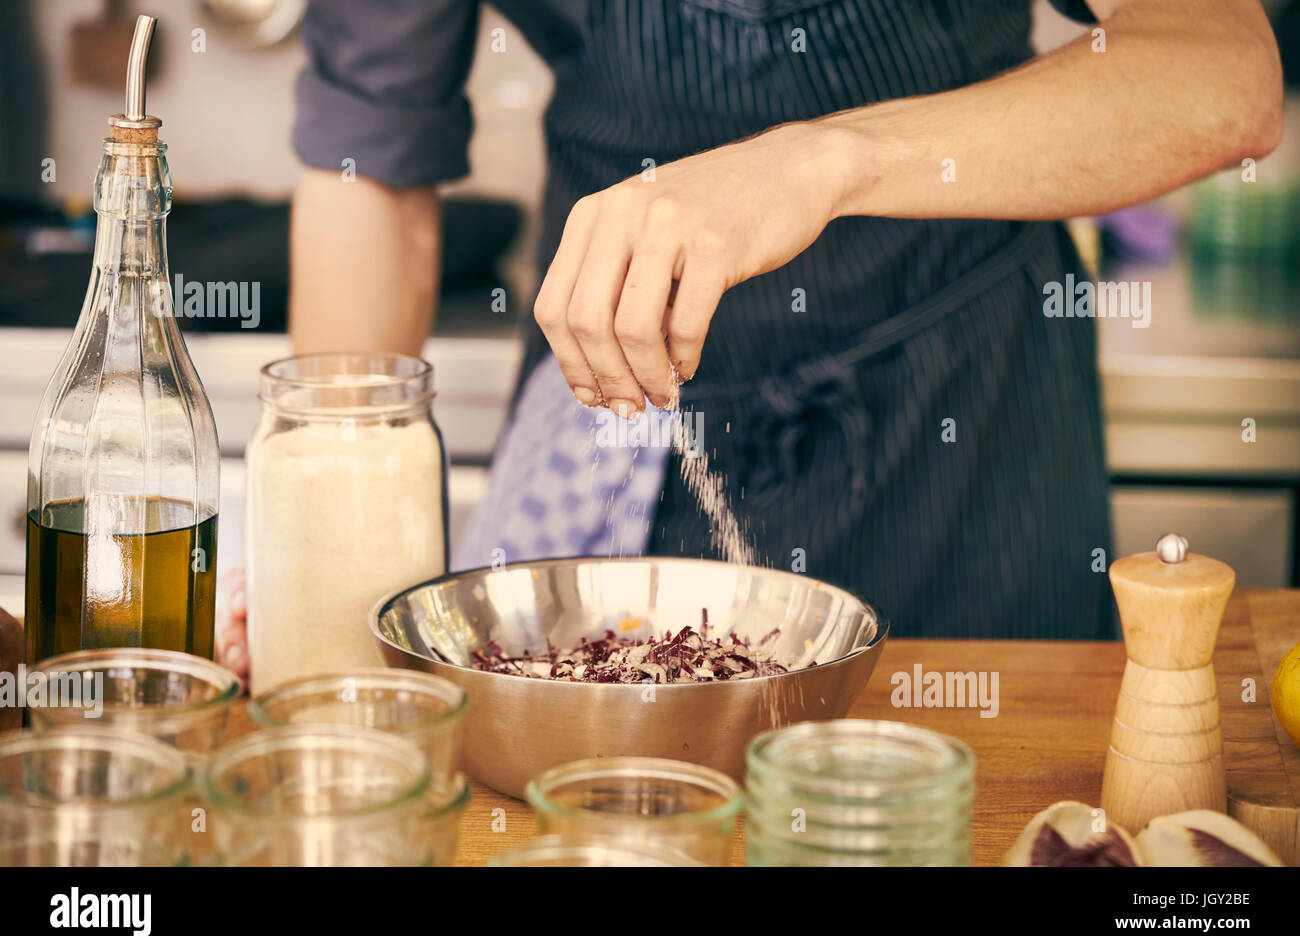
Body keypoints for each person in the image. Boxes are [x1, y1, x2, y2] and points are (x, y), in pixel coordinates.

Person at [216, 0, 1281, 678]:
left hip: (967, 412)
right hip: (616, 420)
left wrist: (823, 163)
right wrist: (321, 550)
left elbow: (1219, 69)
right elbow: (374, 160)